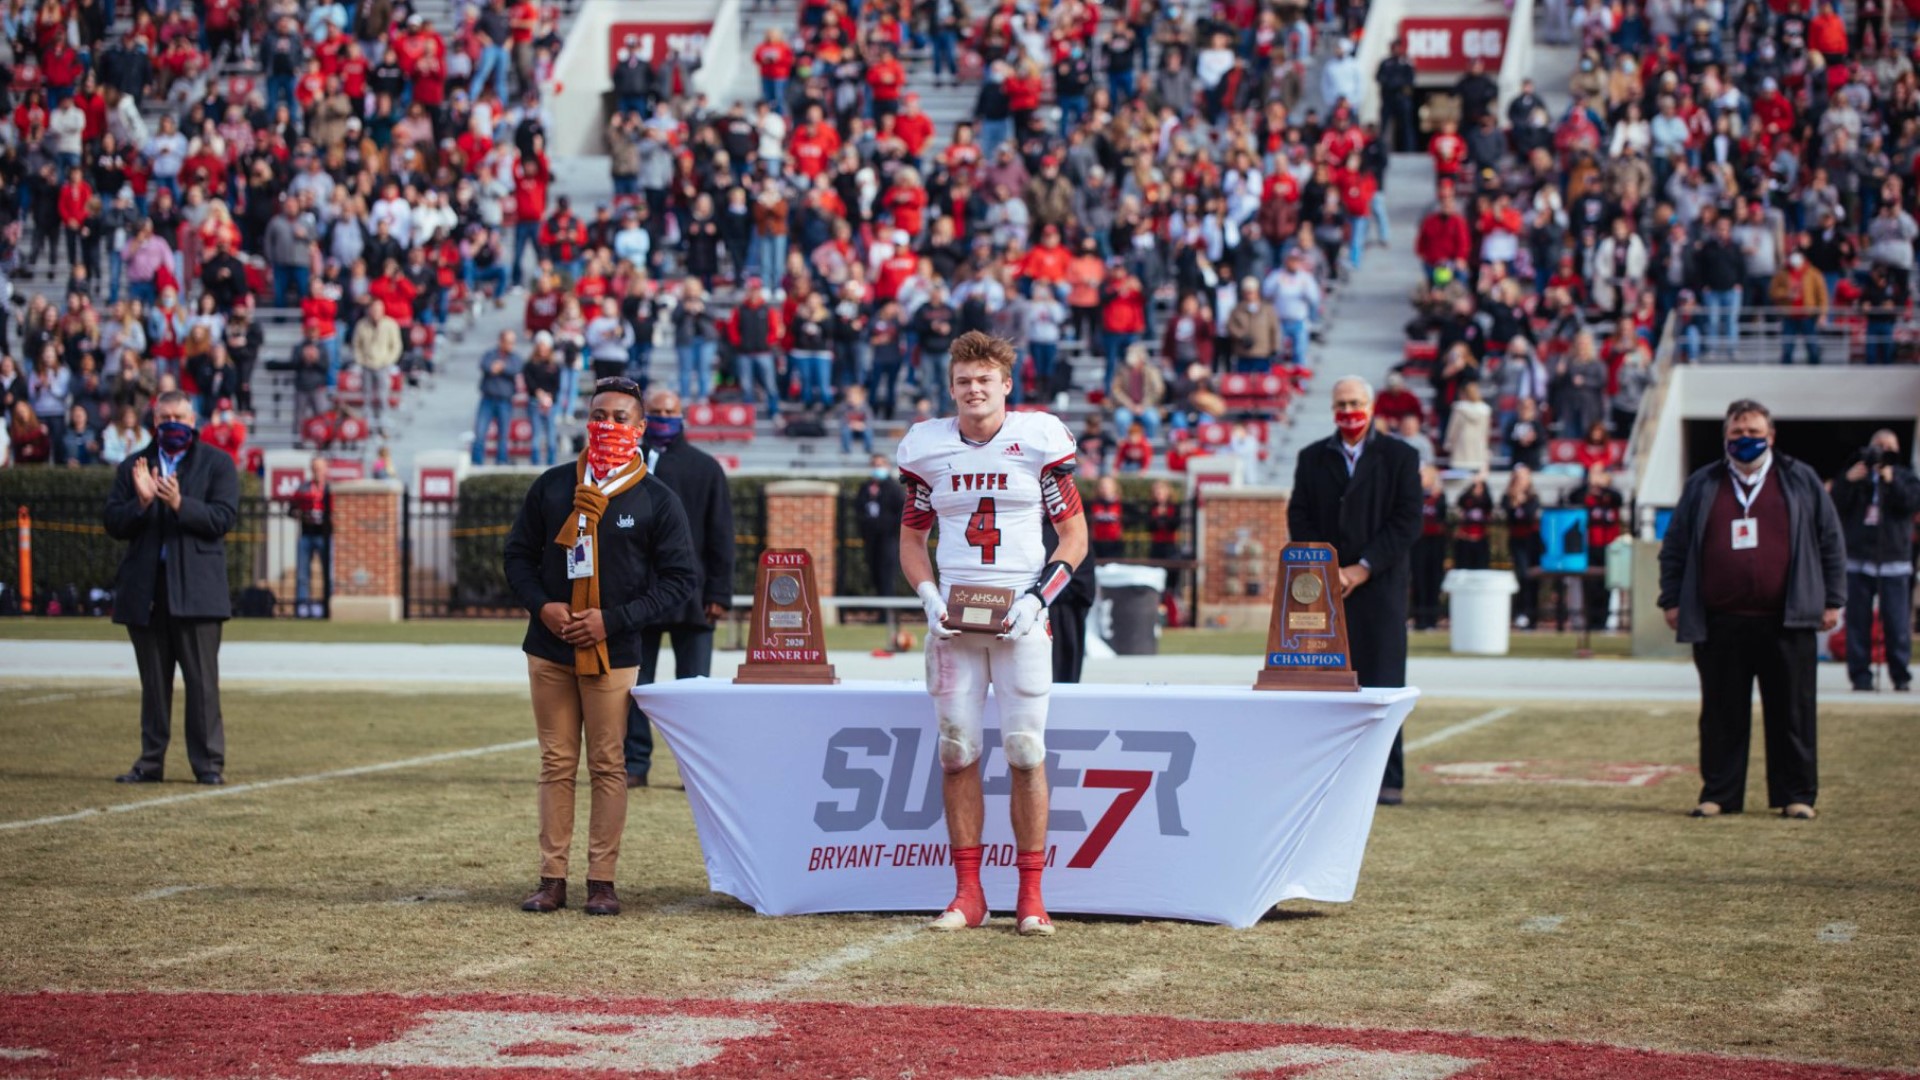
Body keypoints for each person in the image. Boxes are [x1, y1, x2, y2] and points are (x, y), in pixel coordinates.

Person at [897, 331, 1087, 936]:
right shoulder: (928, 447)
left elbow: (1075, 538)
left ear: (1006, 384)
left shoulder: (1037, 440)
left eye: (984, 379)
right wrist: (929, 597)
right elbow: (912, 540)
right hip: (954, 622)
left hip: (1020, 618)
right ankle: (968, 895)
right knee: (956, 752)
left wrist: (1038, 599)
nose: (973, 389)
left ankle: (1031, 896)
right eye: (963, 381)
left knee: (1026, 751)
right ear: (951, 387)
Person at [501, 377, 699, 916]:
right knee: (556, 762)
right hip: (549, 646)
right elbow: (517, 556)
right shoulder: (552, 486)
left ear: (640, 428)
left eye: (619, 418)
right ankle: (551, 878)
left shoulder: (656, 499)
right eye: (599, 416)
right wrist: (543, 605)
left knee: (609, 764)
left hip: (614, 651)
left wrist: (612, 620)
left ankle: (601, 881)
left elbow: (680, 579)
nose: (607, 425)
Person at [1658, 399, 1845, 820]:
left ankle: (1797, 795)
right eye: (1738, 432)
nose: (1746, 439)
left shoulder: (1800, 479)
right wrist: (1671, 599)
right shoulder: (1703, 482)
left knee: (1793, 713)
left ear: (1771, 436)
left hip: (1788, 618)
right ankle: (1720, 794)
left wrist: (1832, 599)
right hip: (1721, 620)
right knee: (1721, 714)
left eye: (1754, 432)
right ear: (1725, 436)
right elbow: (1676, 546)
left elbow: (1830, 539)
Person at [1286, 377, 1423, 805]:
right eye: (1341, 403)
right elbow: (1299, 515)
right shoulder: (1312, 458)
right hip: (1325, 591)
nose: (1348, 411)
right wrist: (1328, 568)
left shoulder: (1400, 457)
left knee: (1383, 688)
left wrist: (1363, 568)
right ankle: (1330, 778)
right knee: (1328, 690)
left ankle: (1387, 781)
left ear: (1372, 405)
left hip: (1381, 588)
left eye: (1356, 402)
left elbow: (1407, 521)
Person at [103, 391, 239, 786]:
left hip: (197, 591)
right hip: (147, 591)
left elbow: (223, 518)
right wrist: (142, 504)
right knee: (153, 685)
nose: (172, 423)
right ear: (154, 421)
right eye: (165, 417)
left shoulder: (217, 463)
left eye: (179, 416)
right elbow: (113, 522)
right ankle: (150, 763)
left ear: (193, 421)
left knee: (202, 684)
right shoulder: (134, 465)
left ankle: (208, 764)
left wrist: (180, 503)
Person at [623, 388, 735, 789]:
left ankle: (693, 771)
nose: (663, 418)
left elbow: (722, 534)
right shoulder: (626, 465)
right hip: (639, 598)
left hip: (693, 596)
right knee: (634, 688)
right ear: (643, 418)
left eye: (670, 411)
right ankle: (634, 764)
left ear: (682, 415)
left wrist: (719, 593)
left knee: (694, 693)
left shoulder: (705, 468)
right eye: (655, 412)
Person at [1833, 430, 1918, 692]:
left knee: (1896, 622)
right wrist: (1848, 481)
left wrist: (1891, 480)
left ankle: (1900, 675)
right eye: (1878, 445)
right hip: (1858, 559)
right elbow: (1834, 505)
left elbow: (1911, 504)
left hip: (1893, 560)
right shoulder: (1856, 474)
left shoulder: (1905, 476)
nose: (1882, 451)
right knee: (1857, 622)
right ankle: (1860, 677)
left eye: (1888, 446)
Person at [852, 453, 906, 597]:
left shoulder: (894, 489)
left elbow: (901, 514)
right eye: (874, 465)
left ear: (887, 467)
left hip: (888, 538)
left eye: (880, 465)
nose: (877, 468)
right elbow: (859, 510)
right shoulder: (865, 488)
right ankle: (879, 607)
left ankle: (887, 608)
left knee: (886, 574)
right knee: (874, 573)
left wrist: (887, 526)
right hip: (871, 538)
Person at [287, 458, 332, 618]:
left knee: (329, 573)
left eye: (320, 468)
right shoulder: (303, 488)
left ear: (326, 470)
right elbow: (291, 510)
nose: (317, 472)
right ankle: (302, 608)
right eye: (314, 468)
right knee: (302, 575)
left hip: (325, 536)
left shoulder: (330, 489)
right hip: (307, 534)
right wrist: (300, 514)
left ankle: (328, 607)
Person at [1503, 465, 1544, 628]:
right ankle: (1520, 612)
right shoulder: (1507, 497)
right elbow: (1510, 516)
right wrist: (1515, 502)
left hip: (1532, 541)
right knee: (1522, 575)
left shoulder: (1533, 497)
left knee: (1532, 577)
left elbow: (1529, 516)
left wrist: (1521, 502)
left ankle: (1533, 614)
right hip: (1517, 541)